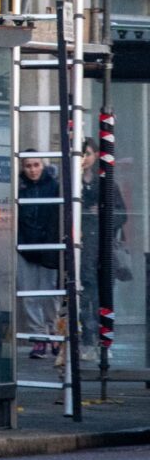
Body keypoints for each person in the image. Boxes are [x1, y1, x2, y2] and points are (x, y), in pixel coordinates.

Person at [79, 136, 127, 362]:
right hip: (82, 248)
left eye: (87, 154)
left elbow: (122, 214)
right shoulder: (73, 183)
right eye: (80, 155)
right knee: (85, 295)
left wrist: (104, 213)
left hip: (103, 248)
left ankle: (104, 341)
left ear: (96, 155)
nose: (84, 159)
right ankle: (87, 340)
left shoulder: (106, 182)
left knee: (103, 294)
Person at [17, 155, 61, 359]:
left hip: (49, 247)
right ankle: (38, 337)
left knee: (50, 294)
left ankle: (54, 332)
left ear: (43, 166)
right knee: (29, 295)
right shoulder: (19, 188)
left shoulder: (54, 186)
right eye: (28, 166)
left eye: (36, 165)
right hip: (26, 246)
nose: (33, 170)